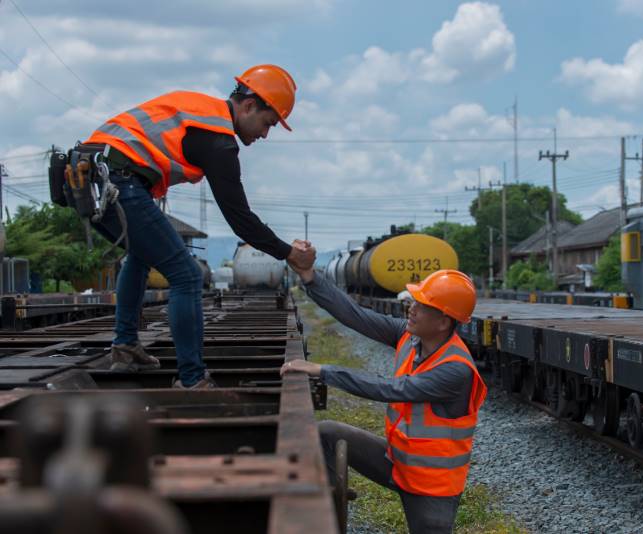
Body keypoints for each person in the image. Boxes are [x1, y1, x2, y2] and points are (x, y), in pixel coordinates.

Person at [74, 64, 315, 388]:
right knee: (186, 274)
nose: (264, 134)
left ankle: (126, 346)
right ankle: (191, 378)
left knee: (141, 256)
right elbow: (240, 220)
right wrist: (288, 253)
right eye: (267, 123)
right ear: (248, 106)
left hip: (90, 178)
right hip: (116, 182)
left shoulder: (200, 112)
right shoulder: (218, 140)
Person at [281, 265, 487, 534]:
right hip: (397, 461)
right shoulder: (409, 337)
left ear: (444, 322)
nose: (411, 308)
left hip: (431, 488)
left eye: (422, 305)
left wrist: (323, 370)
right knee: (327, 433)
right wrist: (310, 277)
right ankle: (326, 521)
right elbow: (355, 316)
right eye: (414, 300)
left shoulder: (455, 369)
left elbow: (390, 388)